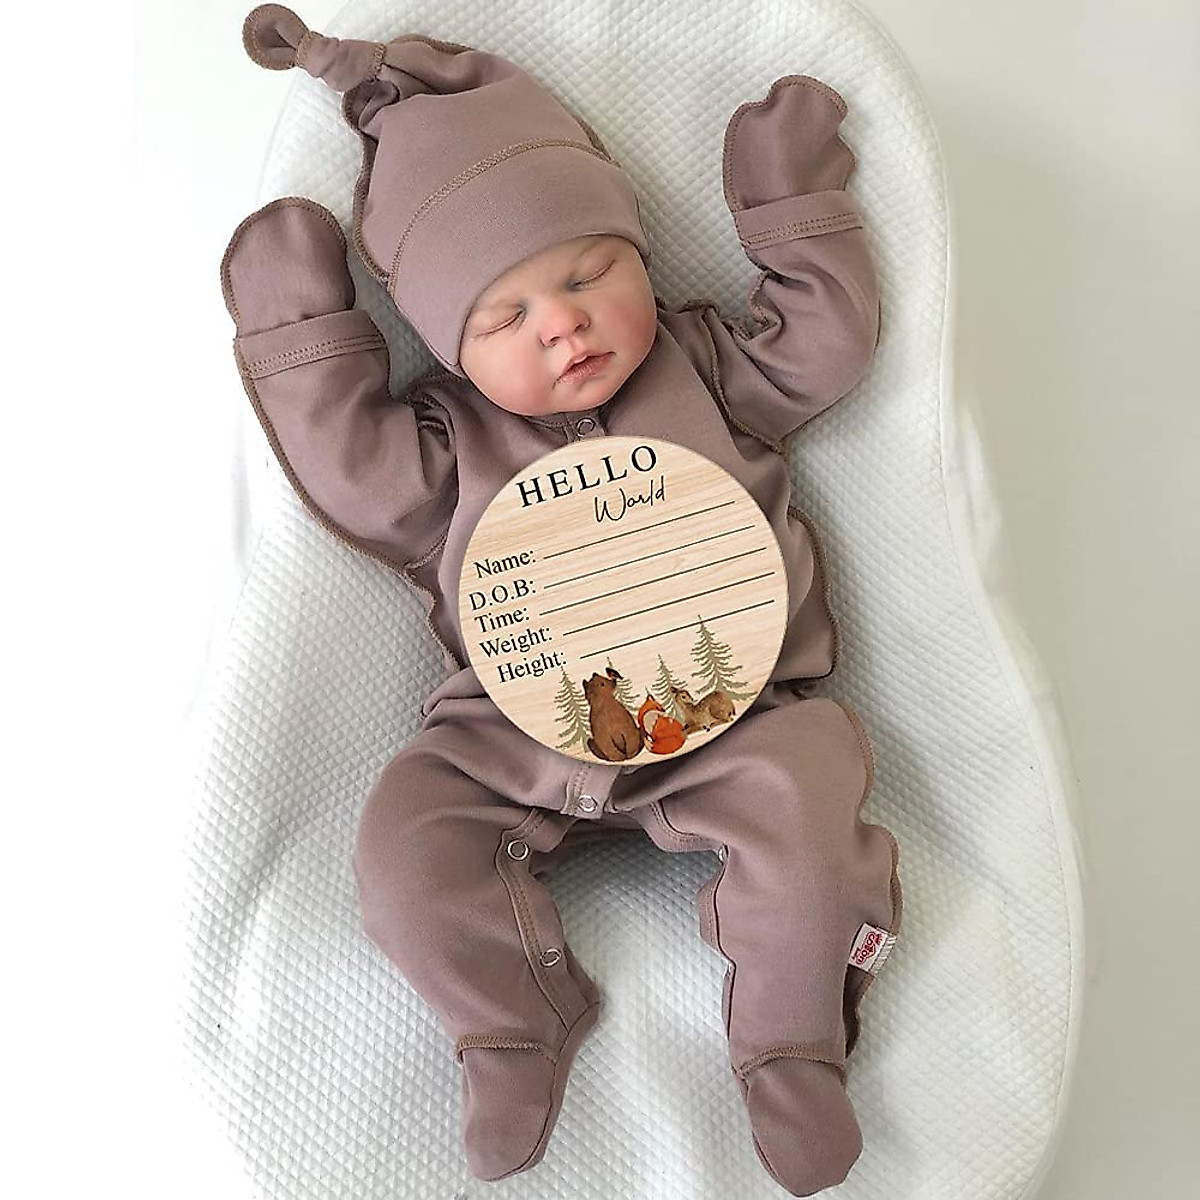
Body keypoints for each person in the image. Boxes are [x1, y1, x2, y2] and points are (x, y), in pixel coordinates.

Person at [220, 6, 903, 1194]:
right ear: (446, 344)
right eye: (505, 316)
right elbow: (353, 475)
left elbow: (823, 344)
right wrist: (302, 333)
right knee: (404, 847)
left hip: (736, 713)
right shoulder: (447, 441)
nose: (564, 324)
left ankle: (795, 1043)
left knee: (812, 808)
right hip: (510, 727)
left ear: (638, 253)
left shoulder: (703, 369)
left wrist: (791, 199)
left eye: (590, 274)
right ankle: (510, 1020)